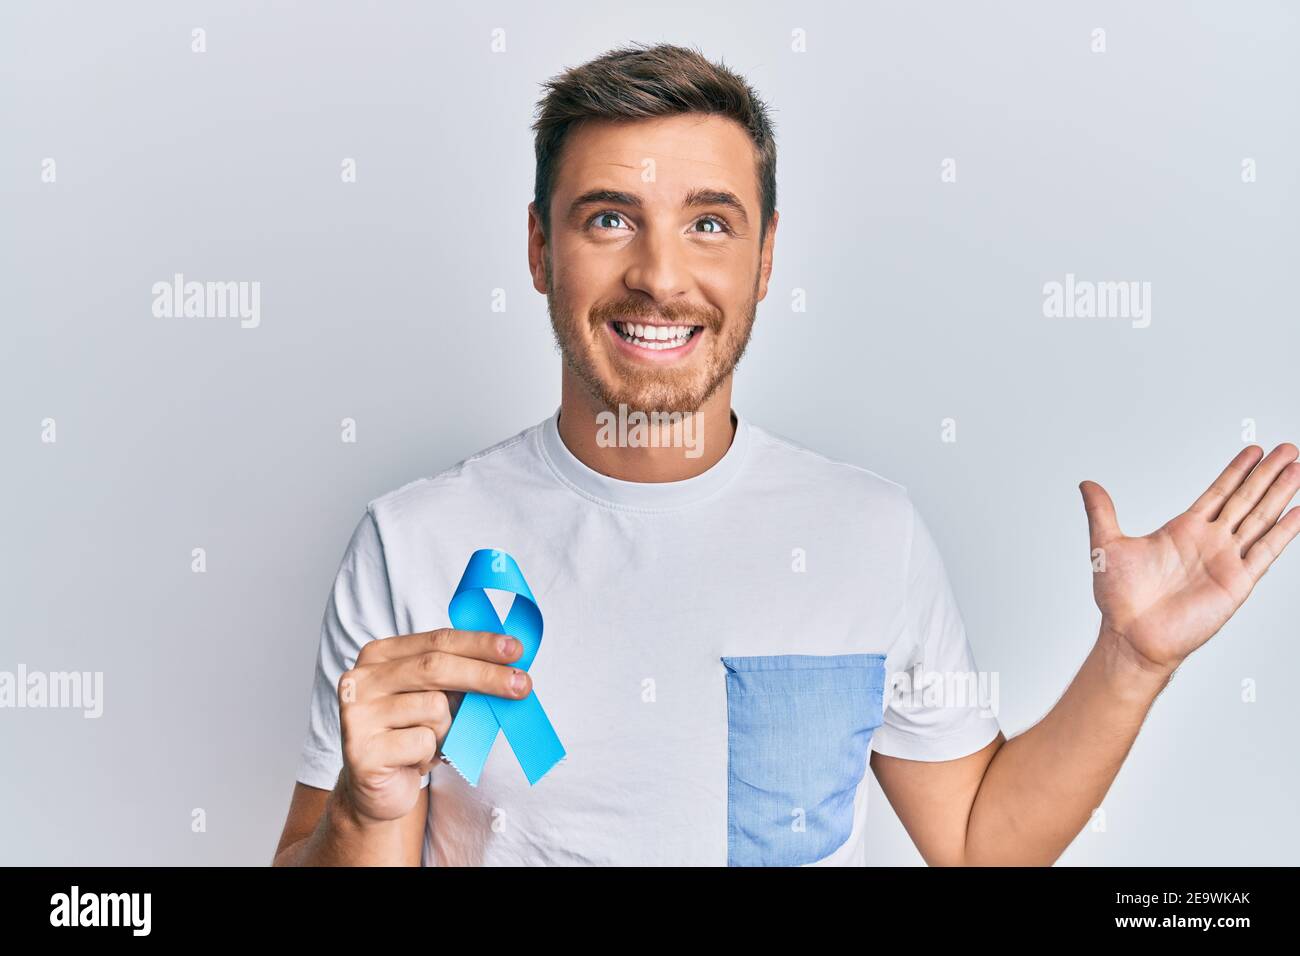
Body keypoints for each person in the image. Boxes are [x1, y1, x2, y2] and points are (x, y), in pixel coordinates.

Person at [272, 43, 1300, 866]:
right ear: (540, 248)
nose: (659, 275)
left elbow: (981, 840)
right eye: (609, 218)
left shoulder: (868, 533)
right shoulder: (412, 543)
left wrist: (1130, 661)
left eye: (708, 223)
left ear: (765, 260)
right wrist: (365, 811)